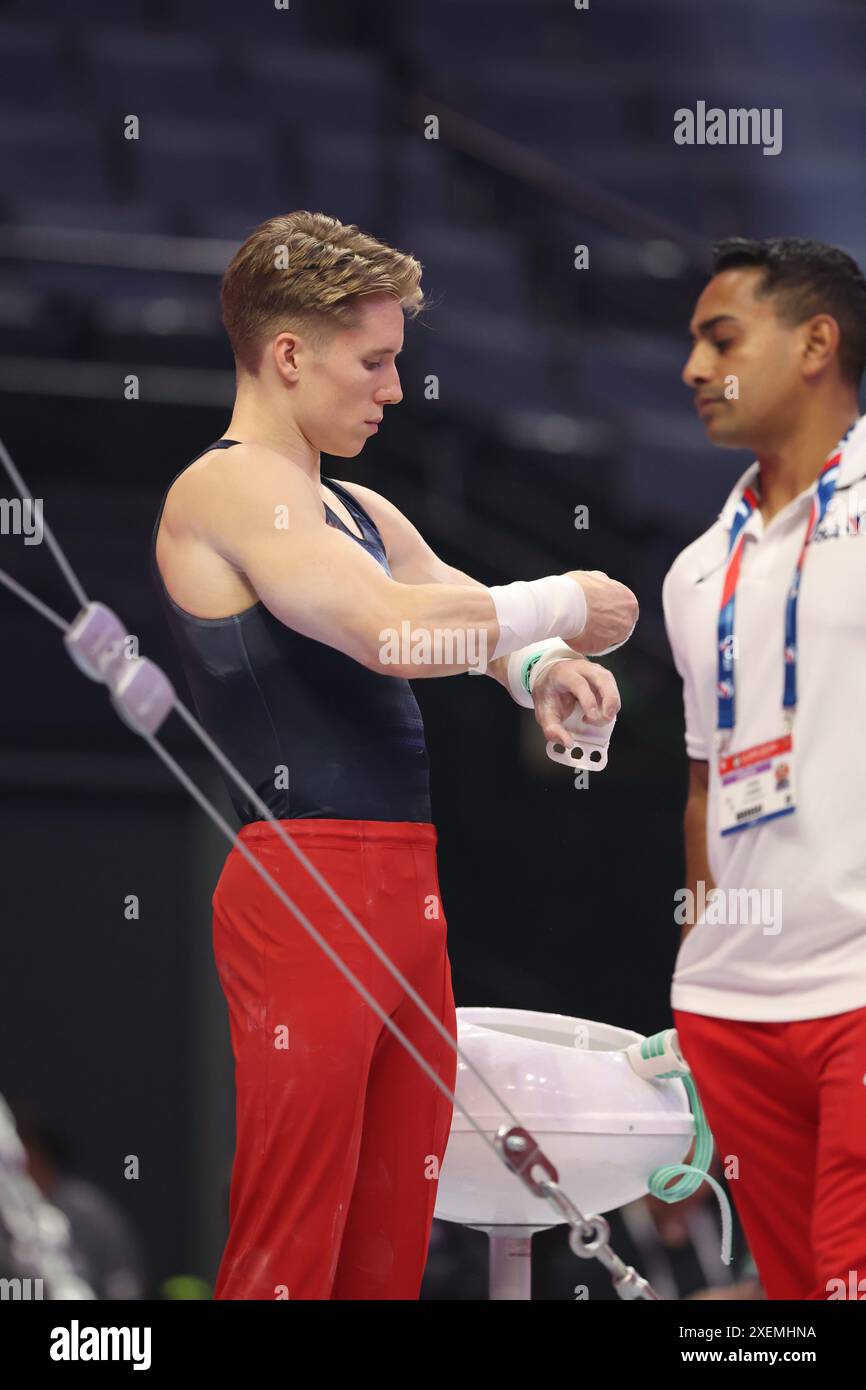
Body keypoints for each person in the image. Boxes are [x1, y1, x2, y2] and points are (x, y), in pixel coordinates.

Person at [150, 211, 638, 1300]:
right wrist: (561, 598)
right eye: (371, 362)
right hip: (305, 880)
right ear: (287, 355)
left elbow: (446, 611)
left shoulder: (354, 508)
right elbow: (386, 632)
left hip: (401, 887)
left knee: (387, 1243)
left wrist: (540, 670)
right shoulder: (227, 489)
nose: (392, 389)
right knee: (294, 1234)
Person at [663, 236, 866, 1301]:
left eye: (720, 338)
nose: (692, 368)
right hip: (731, 1007)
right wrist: (701, 953)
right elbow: (704, 785)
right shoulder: (694, 570)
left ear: (814, 344)